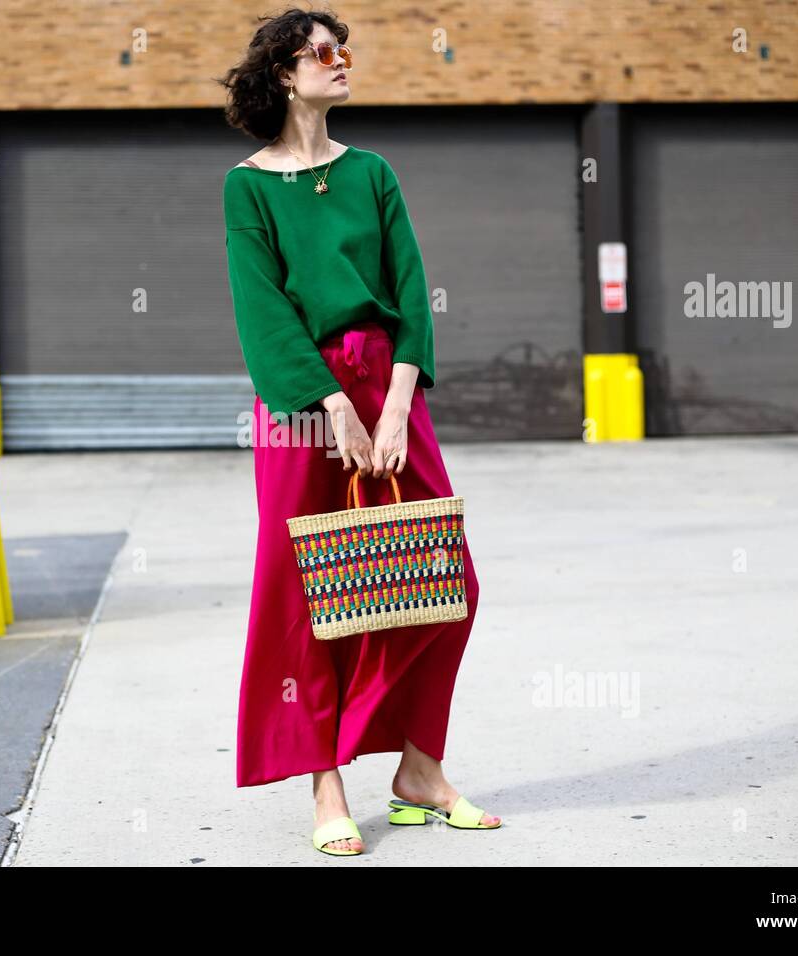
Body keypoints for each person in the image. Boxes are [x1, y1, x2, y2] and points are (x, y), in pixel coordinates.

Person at [219, 7, 500, 857]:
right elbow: (262, 311)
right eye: (324, 53)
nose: (343, 62)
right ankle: (326, 781)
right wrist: (330, 404)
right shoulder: (247, 186)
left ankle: (419, 772)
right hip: (303, 402)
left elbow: (411, 291)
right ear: (284, 73)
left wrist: (394, 398)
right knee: (304, 592)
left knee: (443, 578)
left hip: (390, 385)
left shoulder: (373, 172)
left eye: (345, 51)